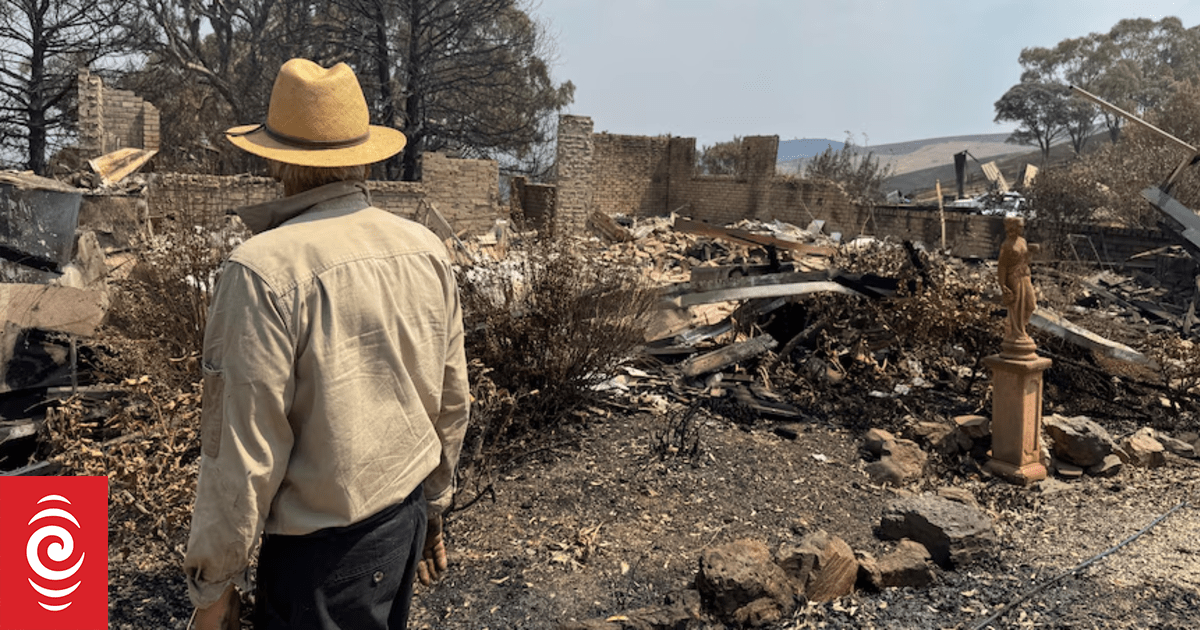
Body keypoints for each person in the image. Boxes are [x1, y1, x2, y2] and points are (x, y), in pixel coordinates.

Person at [183, 58, 469, 630]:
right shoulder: (424, 248)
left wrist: (214, 588)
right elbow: (451, 399)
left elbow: (242, 450)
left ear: (277, 157)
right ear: (362, 154)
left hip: (320, 561)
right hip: (401, 526)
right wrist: (435, 507)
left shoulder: (261, 269)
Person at [997, 215, 1039, 344]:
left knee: (1030, 305)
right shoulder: (1007, 245)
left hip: (1025, 277)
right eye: (1020, 226)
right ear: (1013, 227)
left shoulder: (1022, 241)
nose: (1022, 228)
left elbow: (1025, 259)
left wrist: (1031, 251)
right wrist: (1002, 284)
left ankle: (1021, 329)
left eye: (1022, 226)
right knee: (1016, 308)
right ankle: (1016, 332)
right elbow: (1002, 266)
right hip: (1014, 278)